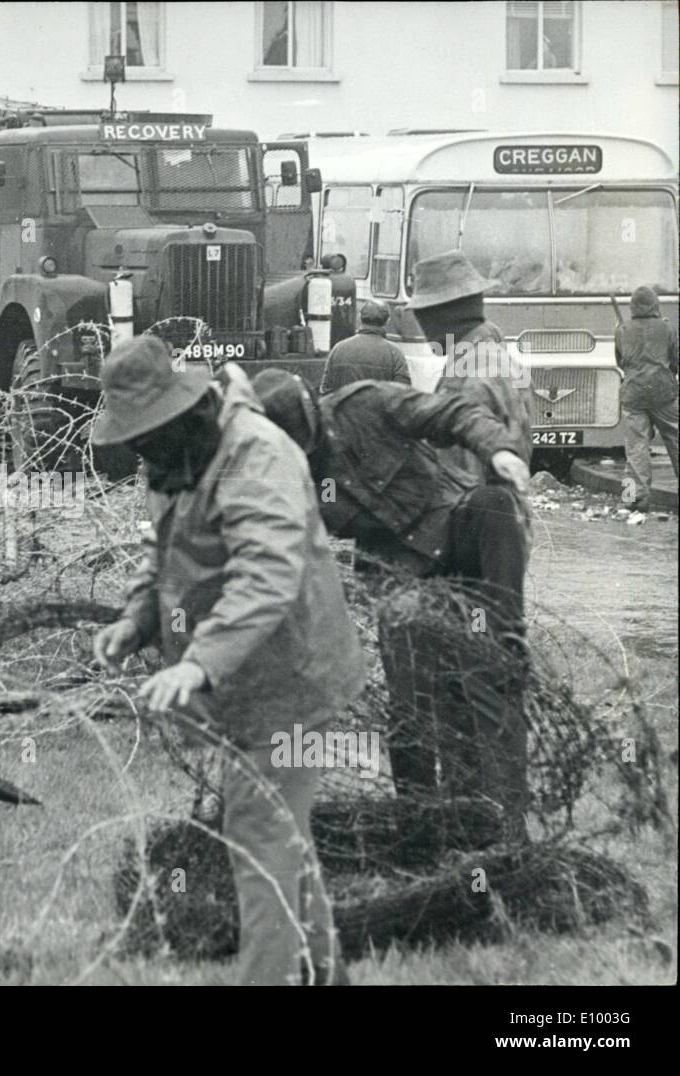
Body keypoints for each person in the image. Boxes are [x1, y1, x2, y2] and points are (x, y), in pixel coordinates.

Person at [90, 335, 365, 986]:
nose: (141, 450)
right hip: (249, 679)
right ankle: (324, 972)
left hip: (296, 680)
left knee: (260, 834)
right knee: (277, 831)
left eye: (149, 434)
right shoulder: (176, 455)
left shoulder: (257, 455)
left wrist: (197, 663)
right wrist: (139, 618)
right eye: (134, 438)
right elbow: (167, 556)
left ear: (186, 412)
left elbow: (266, 574)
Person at [254, 369, 532, 842]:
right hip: (398, 573)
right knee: (415, 703)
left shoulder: (364, 403)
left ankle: (506, 828)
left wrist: (498, 448)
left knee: (493, 510)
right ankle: (423, 826)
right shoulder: (281, 475)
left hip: (455, 531)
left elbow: (449, 411)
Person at [408, 250, 532, 489]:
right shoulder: (504, 360)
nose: (422, 327)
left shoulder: (466, 379)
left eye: (421, 314)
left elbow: (458, 477)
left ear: (441, 315)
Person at [614, 284, 679, 509]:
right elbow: (675, 360)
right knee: (675, 439)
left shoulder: (622, 329)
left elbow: (621, 362)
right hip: (664, 392)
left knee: (635, 448)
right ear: (655, 304)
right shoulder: (667, 328)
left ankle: (634, 499)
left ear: (633, 306)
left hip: (634, 395)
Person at [319, 300, 411, 394]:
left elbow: (325, 391)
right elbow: (402, 395)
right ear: (387, 321)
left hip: (344, 408)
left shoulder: (338, 349)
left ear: (359, 317)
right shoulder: (395, 354)